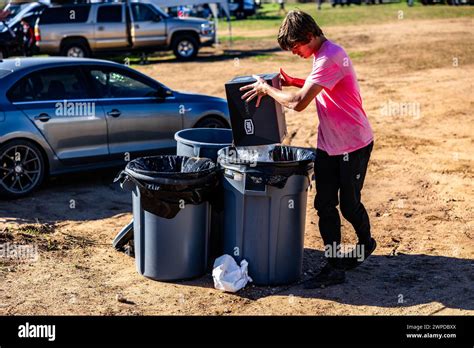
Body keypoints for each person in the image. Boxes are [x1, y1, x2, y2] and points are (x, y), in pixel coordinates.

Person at [240, 10, 376, 288]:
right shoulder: (322, 56)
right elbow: (323, 86)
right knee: (324, 204)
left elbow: (298, 103)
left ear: (310, 36)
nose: (293, 53)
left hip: (354, 144)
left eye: (294, 47)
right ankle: (334, 266)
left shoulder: (330, 56)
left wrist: (267, 90)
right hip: (328, 144)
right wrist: (295, 81)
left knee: (349, 206)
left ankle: (366, 242)